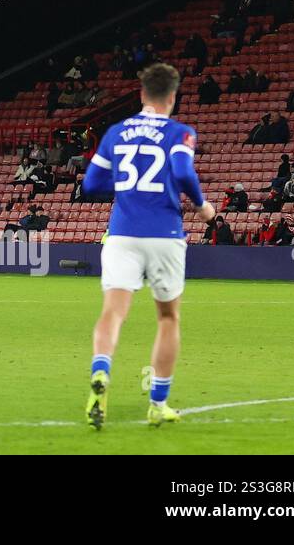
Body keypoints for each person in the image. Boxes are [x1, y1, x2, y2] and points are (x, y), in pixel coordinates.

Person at [81, 63, 214, 430]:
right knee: (168, 318)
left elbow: (90, 186)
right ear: (172, 97)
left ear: (141, 94)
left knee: (113, 312)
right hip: (164, 234)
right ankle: (158, 403)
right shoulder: (180, 132)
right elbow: (185, 173)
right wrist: (202, 207)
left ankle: (101, 371)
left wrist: (125, 190)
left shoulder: (116, 132)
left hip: (122, 233)